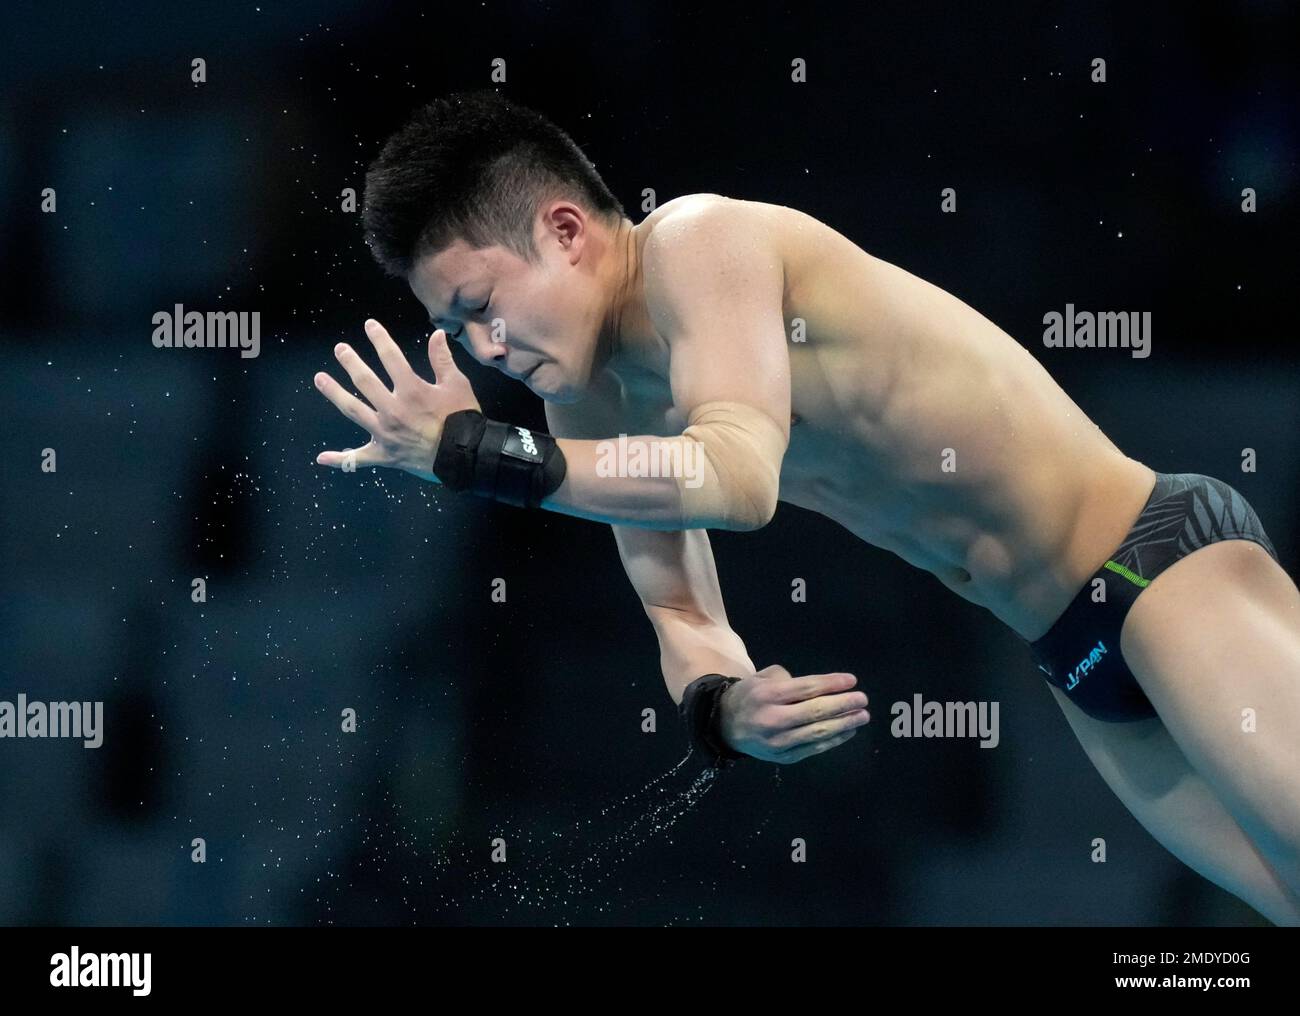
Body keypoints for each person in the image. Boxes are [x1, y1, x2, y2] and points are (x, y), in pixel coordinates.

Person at [313, 90, 1300, 924]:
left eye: (483, 304)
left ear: (564, 230)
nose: (484, 348)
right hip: (1065, 652)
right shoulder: (585, 398)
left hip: (1152, 566)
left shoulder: (703, 243)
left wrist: (481, 454)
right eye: (455, 329)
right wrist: (720, 703)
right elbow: (679, 607)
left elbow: (736, 475)